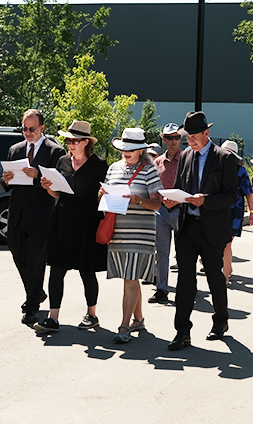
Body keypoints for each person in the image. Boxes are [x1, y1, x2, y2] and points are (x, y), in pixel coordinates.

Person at [165, 111, 239, 350]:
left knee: (214, 277)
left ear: (207, 133)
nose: (190, 141)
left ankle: (220, 320)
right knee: (185, 280)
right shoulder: (186, 156)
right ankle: (182, 331)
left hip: (212, 227)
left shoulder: (224, 158)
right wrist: (173, 199)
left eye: (194, 136)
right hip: (187, 227)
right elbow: (179, 187)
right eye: (188, 136)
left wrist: (205, 200)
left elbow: (231, 196)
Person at [34, 121, 108, 333]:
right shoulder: (63, 161)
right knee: (56, 269)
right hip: (63, 218)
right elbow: (57, 193)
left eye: (75, 140)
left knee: (87, 270)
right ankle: (53, 317)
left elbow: (106, 192)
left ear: (86, 142)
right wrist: (48, 187)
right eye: (68, 140)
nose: (71, 144)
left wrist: (104, 195)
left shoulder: (98, 164)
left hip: (88, 220)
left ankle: (91, 314)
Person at [1, 109, 66, 325]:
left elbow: (58, 186)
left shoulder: (55, 151)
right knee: (18, 255)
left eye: (32, 129)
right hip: (17, 212)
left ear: (42, 128)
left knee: (37, 260)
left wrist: (38, 175)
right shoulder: (15, 149)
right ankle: (36, 292)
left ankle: (31, 307)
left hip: (41, 213)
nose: (28, 133)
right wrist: (7, 179)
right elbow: (6, 184)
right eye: (24, 129)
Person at [102, 128, 162, 344]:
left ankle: (124, 326)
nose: (127, 152)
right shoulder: (113, 168)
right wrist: (102, 195)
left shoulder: (149, 170)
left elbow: (157, 203)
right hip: (118, 231)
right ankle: (138, 319)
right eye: (124, 148)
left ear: (141, 150)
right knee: (131, 276)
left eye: (132, 149)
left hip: (141, 232)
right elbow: (107, 198)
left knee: (130, 277)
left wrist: (139, 200)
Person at [150, 123, 182, 304]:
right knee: (161, 252)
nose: (174, 141)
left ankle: (187, 287)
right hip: (161, 211)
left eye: (177, 137)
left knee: (185, 252)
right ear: (163, 139)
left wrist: (178, 199)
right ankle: (161, 289)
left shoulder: (187, 159)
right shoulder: (157, 162)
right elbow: (153, 187)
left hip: (181, 210)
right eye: (170, 137)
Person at [220, 140, 253, 283]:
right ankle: (227, 269)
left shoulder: (240, 171)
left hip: (234, 211)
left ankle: (225, 276)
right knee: (223, 244)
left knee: (226, 243)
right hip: (218, 210)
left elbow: (248, 192)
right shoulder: (216, 168)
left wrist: (252, 211)